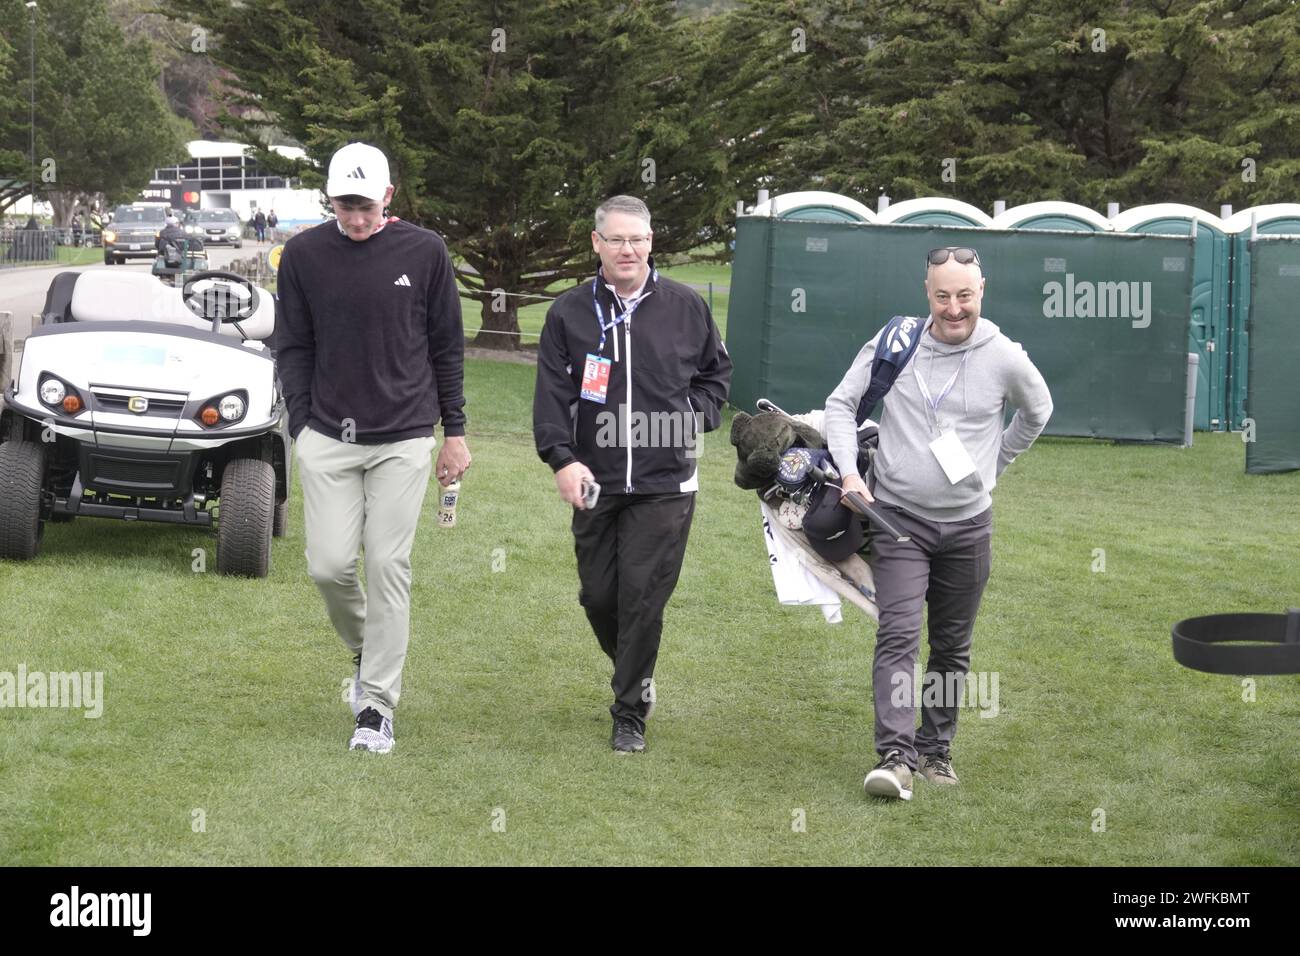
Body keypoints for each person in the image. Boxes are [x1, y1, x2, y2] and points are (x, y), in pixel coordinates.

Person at [823, 245, 1053, 800]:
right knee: (898, 632)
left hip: (969, 527)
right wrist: (851, 474)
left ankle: (935, 749)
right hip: (899, 519)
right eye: (943, 296)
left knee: (951, 645)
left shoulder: (1002, 354)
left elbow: (1037, 411)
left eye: (965, 296)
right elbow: (839, 405)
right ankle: (896, 757)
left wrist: (992, 465)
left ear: (982, 292)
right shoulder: (895, 342)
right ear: (928, 294)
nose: (954, 308)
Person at [276, 142, 471, 754]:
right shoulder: (305, 254)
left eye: (365, 205)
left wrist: (455, 432)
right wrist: (303, 424)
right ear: (328, 199)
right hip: (326, 436)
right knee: (328, 566)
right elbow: (293, 344)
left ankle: (376, 706)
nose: (355, 218)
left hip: (405, 436)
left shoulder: (425, 251)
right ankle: (370, 647)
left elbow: (446, 346)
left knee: (388, 566)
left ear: (388, 197)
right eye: (344, 205)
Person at [533, 195, 732, 754]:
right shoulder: (569, 312)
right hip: (594, 480)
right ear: (596, 243)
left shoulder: (685, 306)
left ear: (651, 242)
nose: (629, 249)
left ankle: (629, 710)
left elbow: (717, 376)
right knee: (599, 597)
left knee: (641, 595)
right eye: (617, 239)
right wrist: (562, 459)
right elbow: (551, 395)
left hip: (664, 482)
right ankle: (635, 668)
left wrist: (693, 416)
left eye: (638, 239)